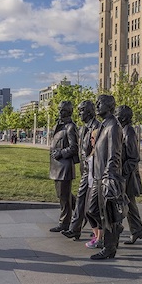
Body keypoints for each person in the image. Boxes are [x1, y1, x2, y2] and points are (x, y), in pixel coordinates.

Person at [90, 94, 125, 260]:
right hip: (98, 176)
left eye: (100, 103)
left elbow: (115, 154)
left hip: (106, 177)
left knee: (107, 215)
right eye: (96, 102)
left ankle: (109, 247)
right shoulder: (104, 125)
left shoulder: (114, 126)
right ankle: (115, 229)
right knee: (92, 210)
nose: (97, 105)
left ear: (110, 106)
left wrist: (108, 176)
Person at [63, 100, 99, 242]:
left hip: (94, 170)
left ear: (89, 111)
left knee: (91, 202)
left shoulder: (97, 127)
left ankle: (100, 229)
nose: (79, 114)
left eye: (81, 111)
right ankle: (75, 229)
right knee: (81, 198)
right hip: (86, 169)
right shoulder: (84, 128)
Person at [49, 101, 79, 233]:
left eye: (63, 110)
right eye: (59, 110)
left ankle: (64, 223)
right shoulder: (60, 125)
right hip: (57, 166)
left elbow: (74, 148)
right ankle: (83, 212)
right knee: (63, 195)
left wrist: (61, 153)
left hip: (64, 167)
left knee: (64, 196)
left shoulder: (71, 127)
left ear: (69, 112)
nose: (60, 112)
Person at [118, 106, 142, 245]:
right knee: (129, 205)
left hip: (128, 177)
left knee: (126, 204)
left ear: (123, 117)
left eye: (117, 114)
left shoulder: (129, 132)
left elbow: (134, 158)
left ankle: (131, 230)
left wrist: (122, 172)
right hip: (125, 176)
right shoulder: (123, 130)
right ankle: (136, 230)